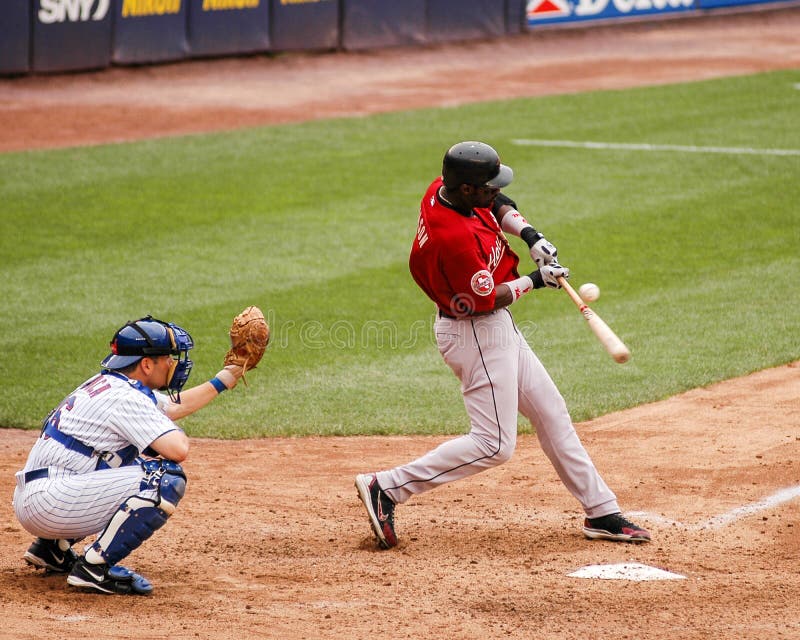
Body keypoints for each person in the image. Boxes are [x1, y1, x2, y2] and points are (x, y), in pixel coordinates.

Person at [355, 141, 650, 549]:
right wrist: (536, 280)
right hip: (474, 330)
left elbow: (498, 204)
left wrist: (530, 235)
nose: (495, 191)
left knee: (551, 414)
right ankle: (386, 488)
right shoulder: (453, 238)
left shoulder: (445, 188)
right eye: (487, 187)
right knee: (493, 444)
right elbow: (485, 299)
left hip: (493, 328)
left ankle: (601, 511)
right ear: (467, 191)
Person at [13, 315, 244, 595]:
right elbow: (178, 449)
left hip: (42, 496)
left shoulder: (109, 384)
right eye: (168, 358)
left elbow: (171, 407)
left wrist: (228, 375)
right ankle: (94, 568)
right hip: (53, 503)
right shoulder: (127, 398)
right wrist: (163, 434)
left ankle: (52, 549)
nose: (173, 364)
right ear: (147, 364)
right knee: (163, 479)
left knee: (123, 459)